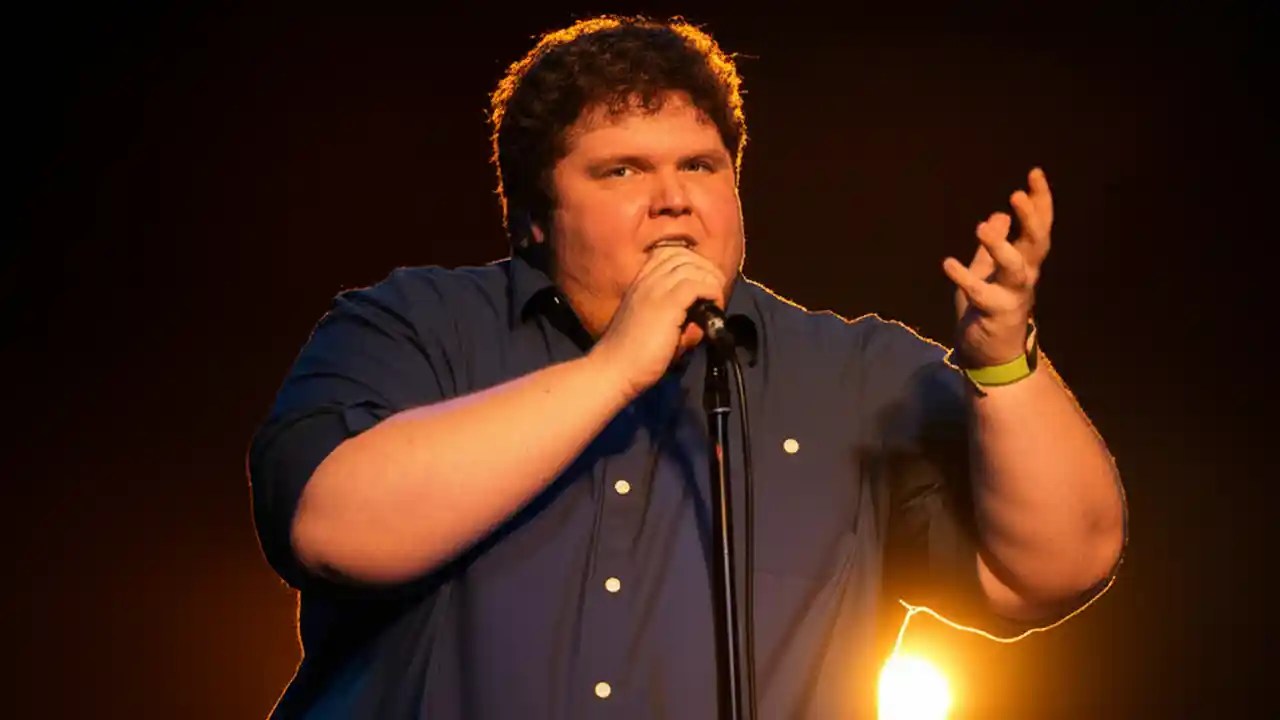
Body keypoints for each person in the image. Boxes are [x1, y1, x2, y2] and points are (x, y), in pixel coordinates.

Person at [247, 15, 1128, 719]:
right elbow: (333, 532)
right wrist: (618, 368)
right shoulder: (414, 325)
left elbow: (1059, 566)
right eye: (622, 169)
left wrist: (1006, 365)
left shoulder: (853, 373)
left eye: (700, 165)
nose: (673, 194)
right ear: (535, 219)